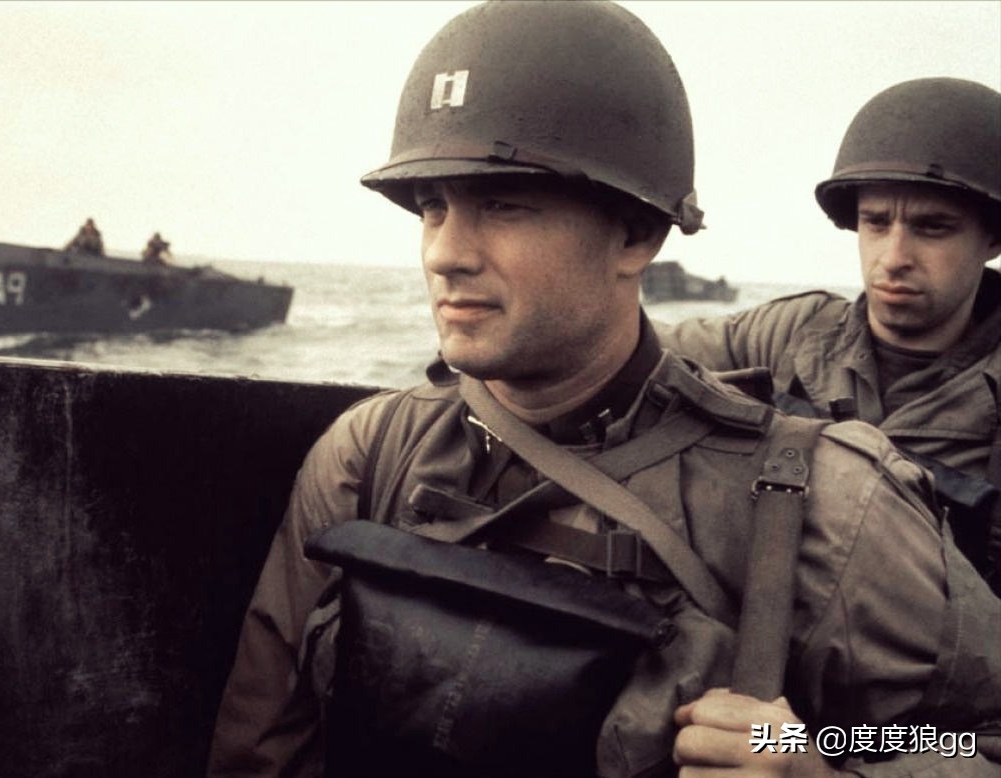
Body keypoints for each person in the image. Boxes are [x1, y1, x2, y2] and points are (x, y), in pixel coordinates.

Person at [208, 4, 1000, 776]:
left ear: (635, 233)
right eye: (433, 207)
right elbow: (262, 748)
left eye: (503, 205)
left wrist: (811, 764)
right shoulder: (371, 452)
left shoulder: (830, 504)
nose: (445, 252)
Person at [656, 78, 1001, 590]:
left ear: (992, 237)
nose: (894, 257)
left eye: (933, 227)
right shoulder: (792, 335)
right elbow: (638, 349)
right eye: (876, 223)